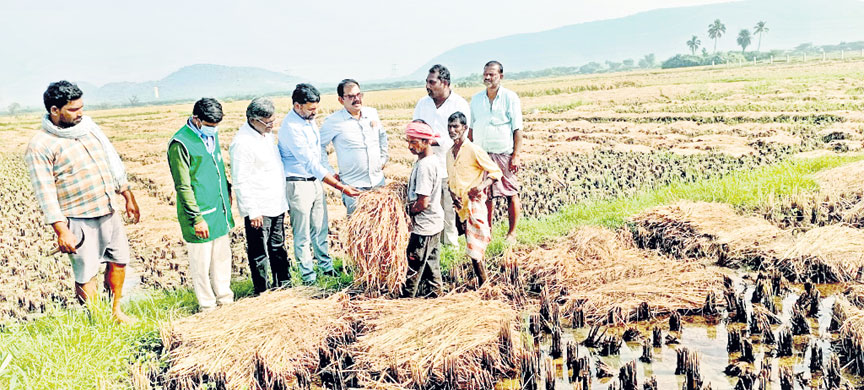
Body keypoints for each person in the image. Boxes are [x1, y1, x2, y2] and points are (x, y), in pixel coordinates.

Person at [25, 80, 140, 323]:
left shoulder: (88, 129)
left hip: (108, 209)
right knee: (87, 272)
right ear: (55, 110)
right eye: (74, 109)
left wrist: (127, 194)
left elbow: (110, 160)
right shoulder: (40, 145)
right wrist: (61, 230)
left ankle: (115, 312)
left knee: (118, 261)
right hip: (78, 217)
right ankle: (98, 319)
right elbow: (45, 192)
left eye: (81, 107)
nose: (81, 113)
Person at [278, 83, 360, 285]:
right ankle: (308, 276)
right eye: (311, 108)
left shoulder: (308, 121)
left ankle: (326, 268)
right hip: (298, 185)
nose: (315, 112)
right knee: (303, 233)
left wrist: (331, 174)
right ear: (297, 106)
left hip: (314, 183)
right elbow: (310, 162)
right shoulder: (290, 128)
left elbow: (318, 154)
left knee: (320, 227)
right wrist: (340, 187)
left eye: (316, 108)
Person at [167, 98, 234, 312]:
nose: (213, 130)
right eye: (209, 125)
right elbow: (183, 186)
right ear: (196, 119)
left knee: (222, 259)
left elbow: (218, 170)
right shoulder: (181, 143)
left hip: (219, 209)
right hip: (200, 214)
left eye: (216, 126)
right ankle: (207, 306)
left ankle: (225, 299)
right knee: (201, 264)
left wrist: (228, 192)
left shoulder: (211, 137)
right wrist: (196, 218)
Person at [229, 97, 291, 295]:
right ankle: (262, 291)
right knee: (260, 252)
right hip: (258, 208)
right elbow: (240, 180)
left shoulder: (266, 135)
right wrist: (252, 210)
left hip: (276, 202)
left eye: (273, 120)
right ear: (253, 120)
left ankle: (283, 285)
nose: (271, 125)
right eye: (267, 122)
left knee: (277, 247)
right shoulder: (242, 143)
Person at [412, 64, 470, 247]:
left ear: (444, 83)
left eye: (431, 82)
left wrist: (432, 141)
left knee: (449, 208)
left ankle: (451, 246)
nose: (427, 86)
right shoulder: (423, 104)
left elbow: (460, 135)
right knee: (428, 207)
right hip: (427, 165)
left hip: (449, 164)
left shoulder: (459, 104)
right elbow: (417, 129)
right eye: (427, 82)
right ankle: (432, 246)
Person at [445, 111, 502, 287]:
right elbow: (451, 180)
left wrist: (480, 187)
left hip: (473, 204)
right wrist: (453, 194)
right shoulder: (449, 153)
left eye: (456, 126)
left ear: (464, 128)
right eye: (450, 126)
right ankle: (482, 281)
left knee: (475, 249)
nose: (452, 130)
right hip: (460, 206)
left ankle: (485, 286)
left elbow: (495, 172)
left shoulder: (473, 150)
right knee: (471, 248)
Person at [469, 61, 523, 242]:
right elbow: (470, 128)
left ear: (501, 76)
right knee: (486, 196)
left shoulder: (510, 97)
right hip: (482, 154)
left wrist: (515, 155)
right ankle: (488, 233)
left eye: (491, 74)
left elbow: (517, 129)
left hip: (504, 153)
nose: (487, 77)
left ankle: (512, 233)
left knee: (511, 193)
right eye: (485, 73)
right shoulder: (476, 99)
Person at [320, 79, 389, 215]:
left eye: (359, 95)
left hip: (378, 182)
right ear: (341, 100)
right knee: (359, 231)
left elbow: (382, 136)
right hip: (353, 188)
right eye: (351, 96)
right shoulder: (333, 121)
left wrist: (383, 158)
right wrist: (330, 172)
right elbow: (318, 147)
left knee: (381, 227)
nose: (357, 99)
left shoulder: (372, 113)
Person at [402, 120, 444, 298]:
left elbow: (422, 203)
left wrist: (404, 213)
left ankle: (404, 302)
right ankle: (437, 296)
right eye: (408, 141)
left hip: (423, 228)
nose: (410, 146)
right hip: (434, 224)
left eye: (414, 141)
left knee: (413, 266)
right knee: (431, 263)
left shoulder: (425, 166)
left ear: (427, 141)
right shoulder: (430, 161)